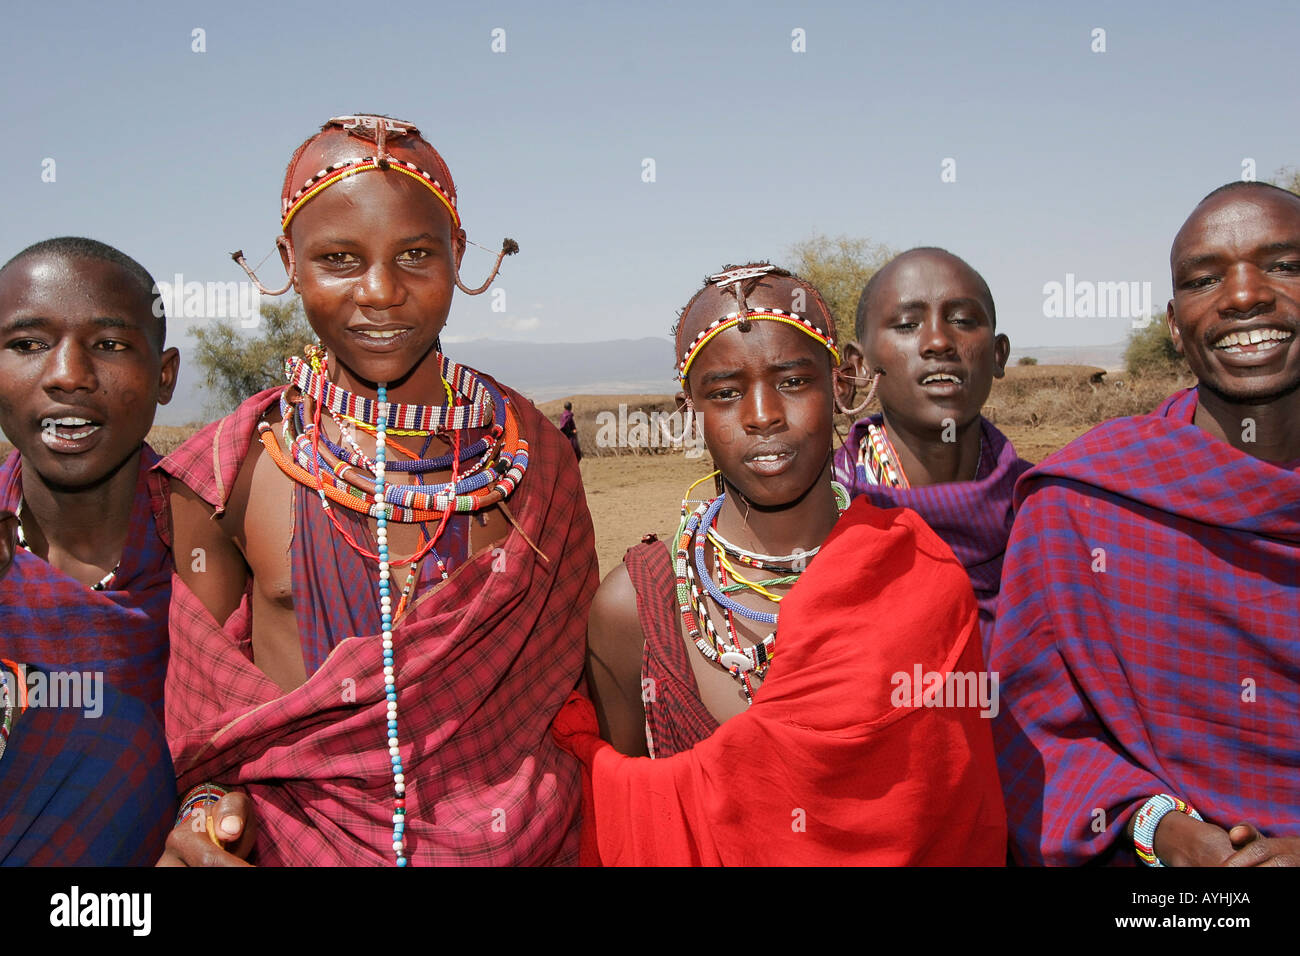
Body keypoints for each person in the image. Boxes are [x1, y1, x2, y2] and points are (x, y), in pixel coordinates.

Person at [158, 115, 597, 867]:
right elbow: (209, 720)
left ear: (458, 256)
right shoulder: (233, 471)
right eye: (338, 259)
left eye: (416, 255)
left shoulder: (535, 464)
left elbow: (570, 691)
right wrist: (205, 810)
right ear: (290, 264)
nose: (382, 292)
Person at [555, 263, 1007, 865]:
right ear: (691, 413)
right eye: (724, 392)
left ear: (841, 384)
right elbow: (633, 812)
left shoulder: (919, 579)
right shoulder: (634, 607)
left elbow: (955, 816)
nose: (762, 414)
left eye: (793, 381)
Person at [988, 181, 1300, 867]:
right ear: (1174, 322)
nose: (1244, 295)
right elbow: (1033, 737)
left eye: (1284, 265)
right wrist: (1162, 832)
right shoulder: (1084, 501)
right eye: (1204, 278)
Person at [0, 237, 179, 865]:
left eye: (109, 344)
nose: (68, 374)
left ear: (164, 377)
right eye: (27, 345)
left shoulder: (221, 551)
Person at [834, 247, 1029, 630]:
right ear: (859, 365)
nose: (939, 342)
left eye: (962, 320)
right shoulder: (827, 512)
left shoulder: (1044, 510)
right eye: (907, 325)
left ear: (997, 354)